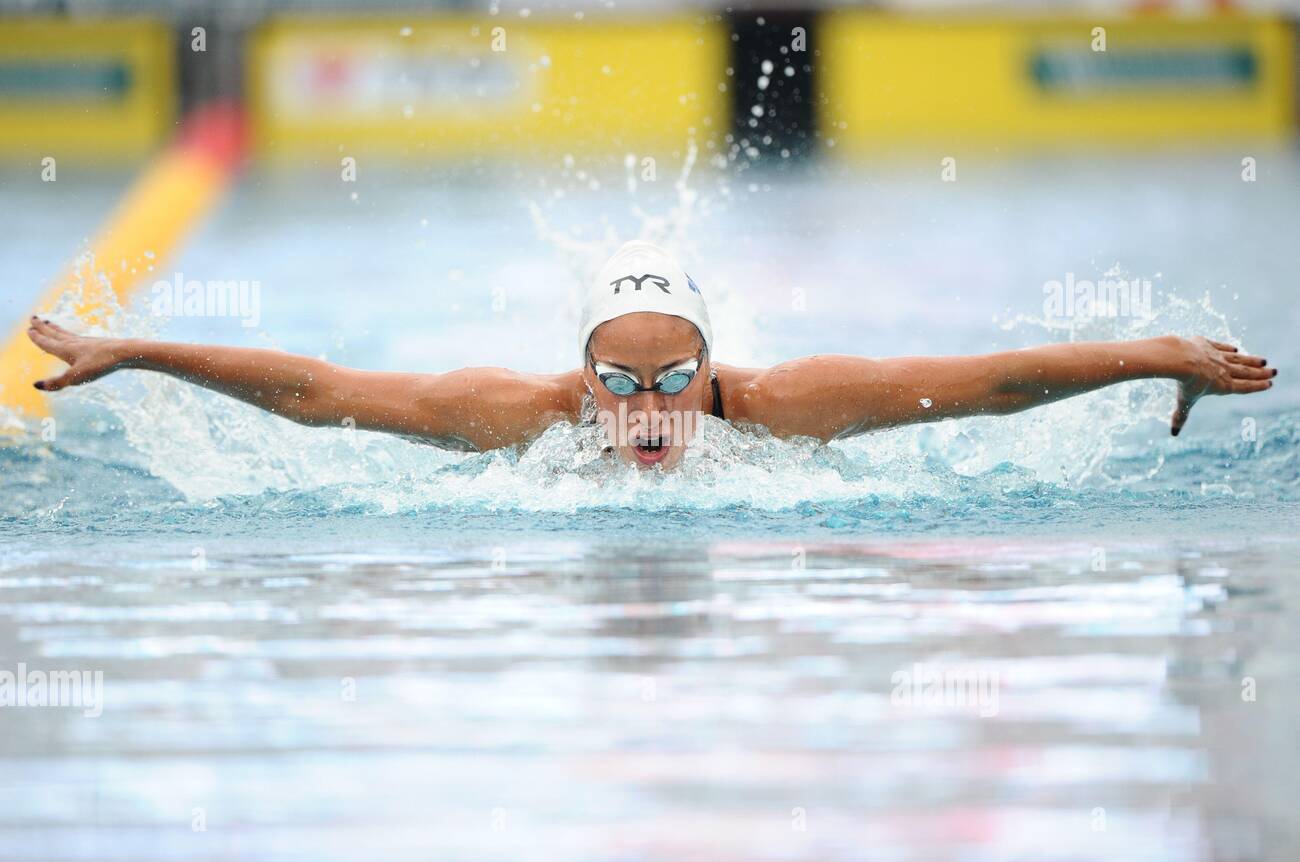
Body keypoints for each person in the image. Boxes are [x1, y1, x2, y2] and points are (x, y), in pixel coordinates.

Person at [26, 241, 1276, 470]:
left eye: (670, 379)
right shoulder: (515, 418)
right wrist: (135, 349)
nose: (644, 412)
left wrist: (1153, 351)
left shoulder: (784, 410)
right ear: (578, 378)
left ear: (710, 363)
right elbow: (321, 393)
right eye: (613, 384)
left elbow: (991, 382)